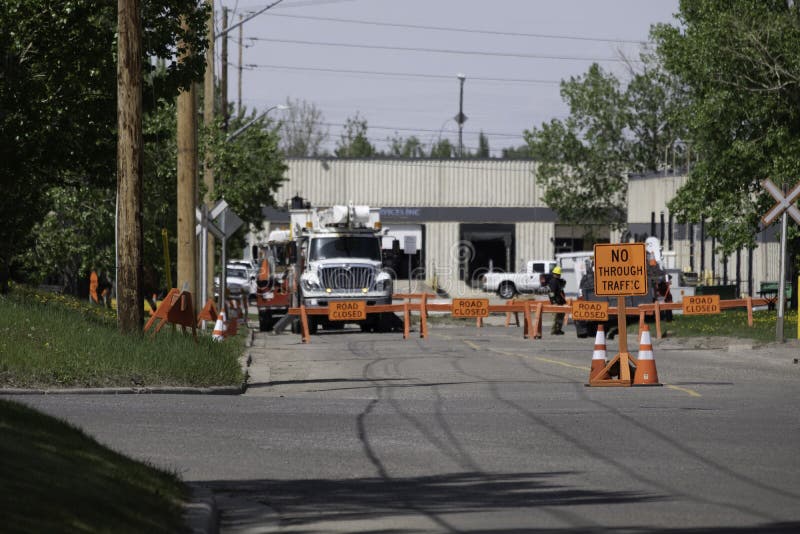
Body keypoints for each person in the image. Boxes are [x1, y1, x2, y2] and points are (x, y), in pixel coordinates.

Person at [548, 265, 566, 335]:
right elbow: (551, 293)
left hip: (560, 301)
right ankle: (553, 330)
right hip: (556, 302)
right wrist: (553, 302)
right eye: (558, 274)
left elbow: (561, 290)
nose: (559, 275)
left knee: (561, 316)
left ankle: (558, 330)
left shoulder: (558, 281)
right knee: (556, 317)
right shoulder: (553, 282)